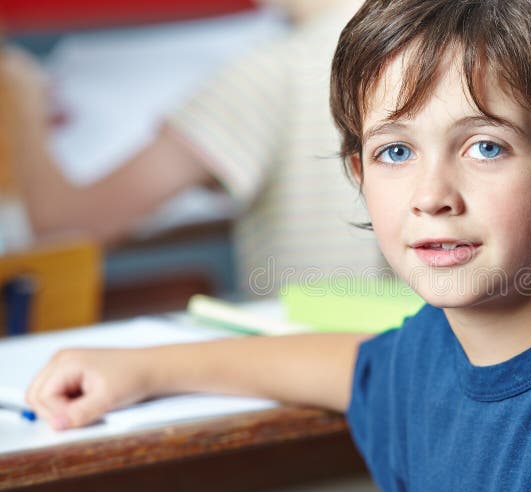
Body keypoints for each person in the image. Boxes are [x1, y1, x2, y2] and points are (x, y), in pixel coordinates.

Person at [25, 0, 531, 492]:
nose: (432, 196)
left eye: (486, 146)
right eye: (395, 152)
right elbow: (349, 365)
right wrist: (141, 370)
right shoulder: (434, 349)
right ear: (358, 171)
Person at [1, 0, 379, 295]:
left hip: (308, 351)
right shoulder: (428, 48)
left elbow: (65, 227)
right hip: (416, 346)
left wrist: (23, 104)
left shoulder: (272, 70)